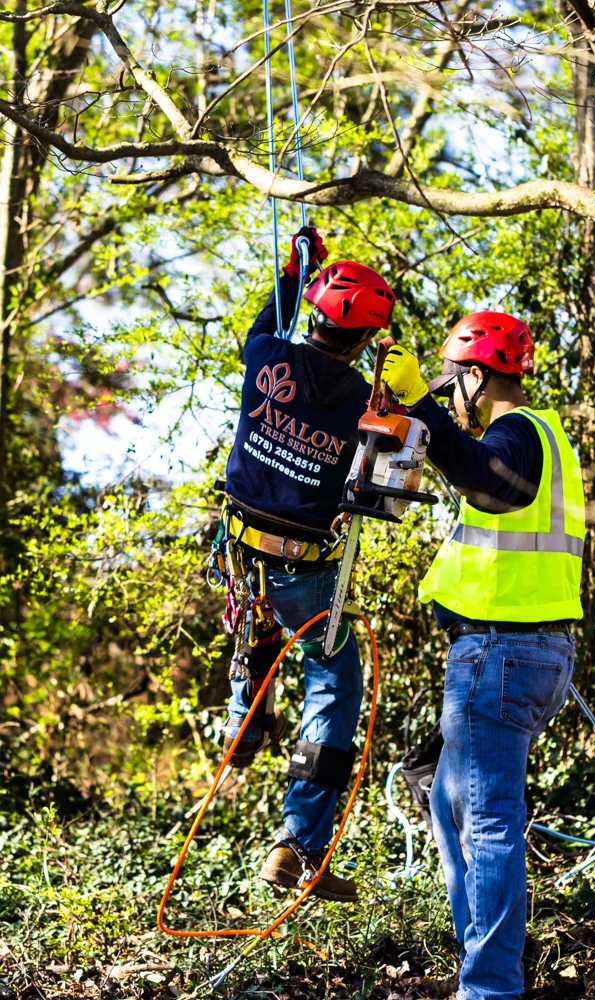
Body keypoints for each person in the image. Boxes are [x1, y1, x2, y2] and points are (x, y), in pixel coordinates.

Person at [381, 312, 584, 1000]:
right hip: (532, 653)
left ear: (475, 375)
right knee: (447, 802)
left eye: (452, 384)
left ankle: (490, 987)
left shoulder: (515, 437)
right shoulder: (545, 436)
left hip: (501, 652)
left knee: (490, 818)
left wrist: (419, 406)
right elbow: (480, 480)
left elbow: (487, 481)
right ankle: (487, 953)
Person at [220, 226, 395, 902]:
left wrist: (298, 266)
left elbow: (272, 314)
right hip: (307, 570)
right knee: (332, 685)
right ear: (363, 340)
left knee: (253, 631)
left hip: (240, 552)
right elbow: (383, 488)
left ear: (315, 315)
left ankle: (243, 721)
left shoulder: (264, 356)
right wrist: (399, 393)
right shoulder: (366, 406)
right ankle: (296, 843)